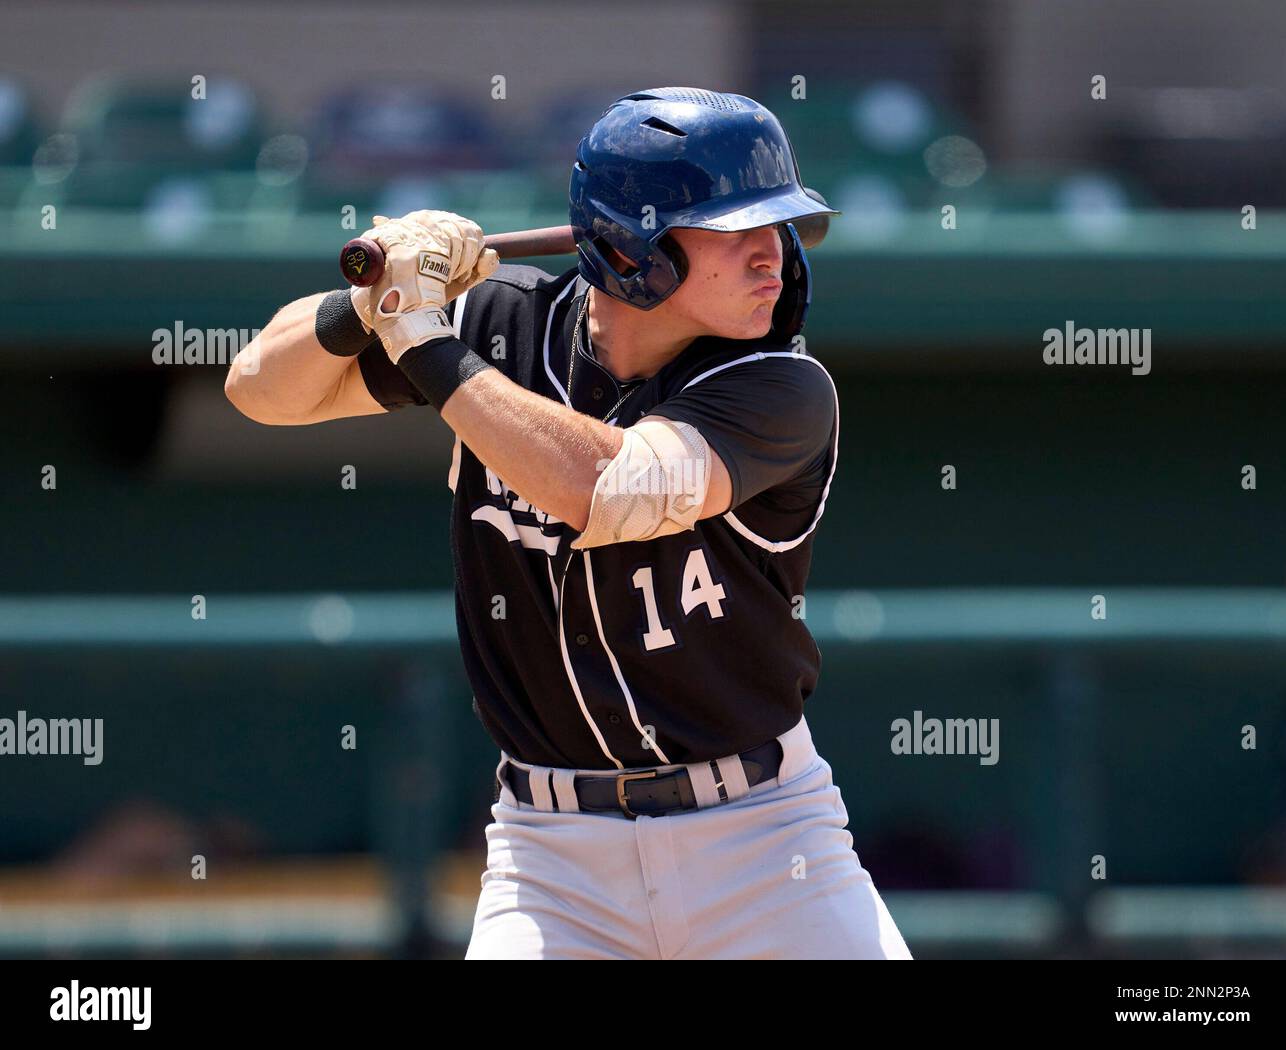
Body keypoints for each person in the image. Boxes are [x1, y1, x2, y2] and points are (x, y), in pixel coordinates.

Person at [226, 86, 911, 959]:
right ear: (634, 253)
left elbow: (600, 486)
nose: (770, 255)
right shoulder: (501, 325)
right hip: (553, 863)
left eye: (777, 227)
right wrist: (369, 304)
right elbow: (258, 388)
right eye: (734, 229)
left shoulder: (781, 387)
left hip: (766, 845)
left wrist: (425, 337)